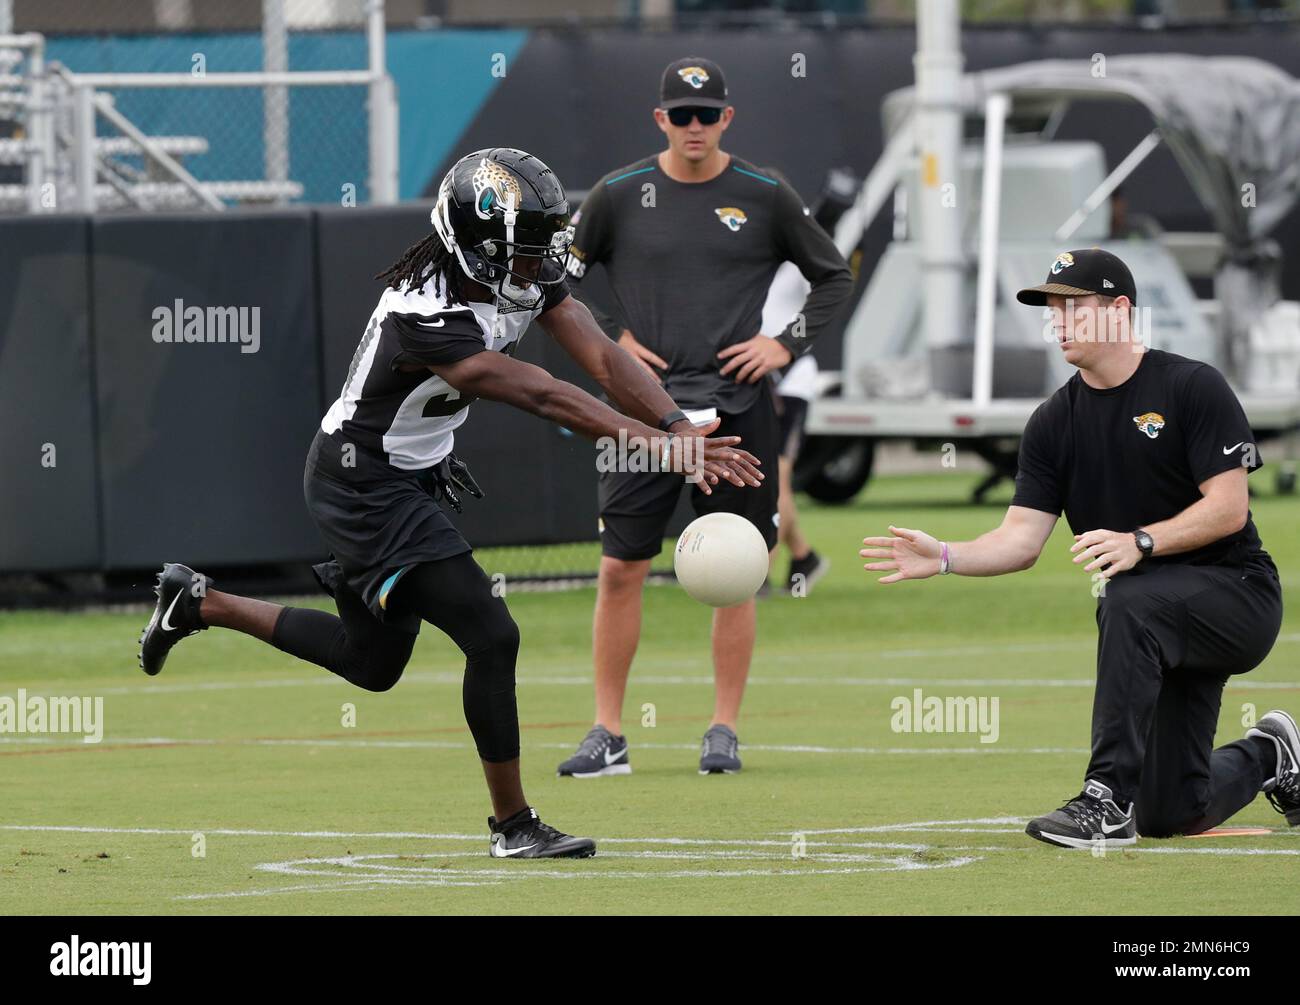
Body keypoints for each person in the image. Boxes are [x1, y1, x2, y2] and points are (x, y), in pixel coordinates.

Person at [137, 148, 762, 859]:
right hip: (362, 481)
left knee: (370, 665)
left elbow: (597, 354)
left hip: (410, 472)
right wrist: (646, 442)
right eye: (523, 252)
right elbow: (539, 390)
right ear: (474, 241)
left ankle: (200, 602)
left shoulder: (516, 269)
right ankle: (513, 825)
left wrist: (675, 423)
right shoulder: (422, 309)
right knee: (492, 634)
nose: (537, 266)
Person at [859, 248, 1297, 849]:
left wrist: (1142, 541)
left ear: (1119, 310)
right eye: (1051, 309)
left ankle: (1105, 798)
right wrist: (945, 556)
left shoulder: (1192, 385)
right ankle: (1272, 753)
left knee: (1128, 598)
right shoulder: (1053, 422)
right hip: (1157, 624)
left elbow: (1229, 509)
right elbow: (1020, 539)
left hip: (1237, 598)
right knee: (1171, 813)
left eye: (1073, 306)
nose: (1058, 321)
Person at [555, 57, 853, 778]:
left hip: (737, 408)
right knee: (621, 568)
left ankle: (723, 729)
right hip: (642, 419)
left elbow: (833, 275)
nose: (694, 126)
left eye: (707, 113)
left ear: (727, 118)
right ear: (660, 119)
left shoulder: (764, 193)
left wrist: (782, 344)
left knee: (738, 568)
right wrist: (611, 340)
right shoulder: (617, 195)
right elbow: (555, 279)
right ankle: (609, 732)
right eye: (681, 114)